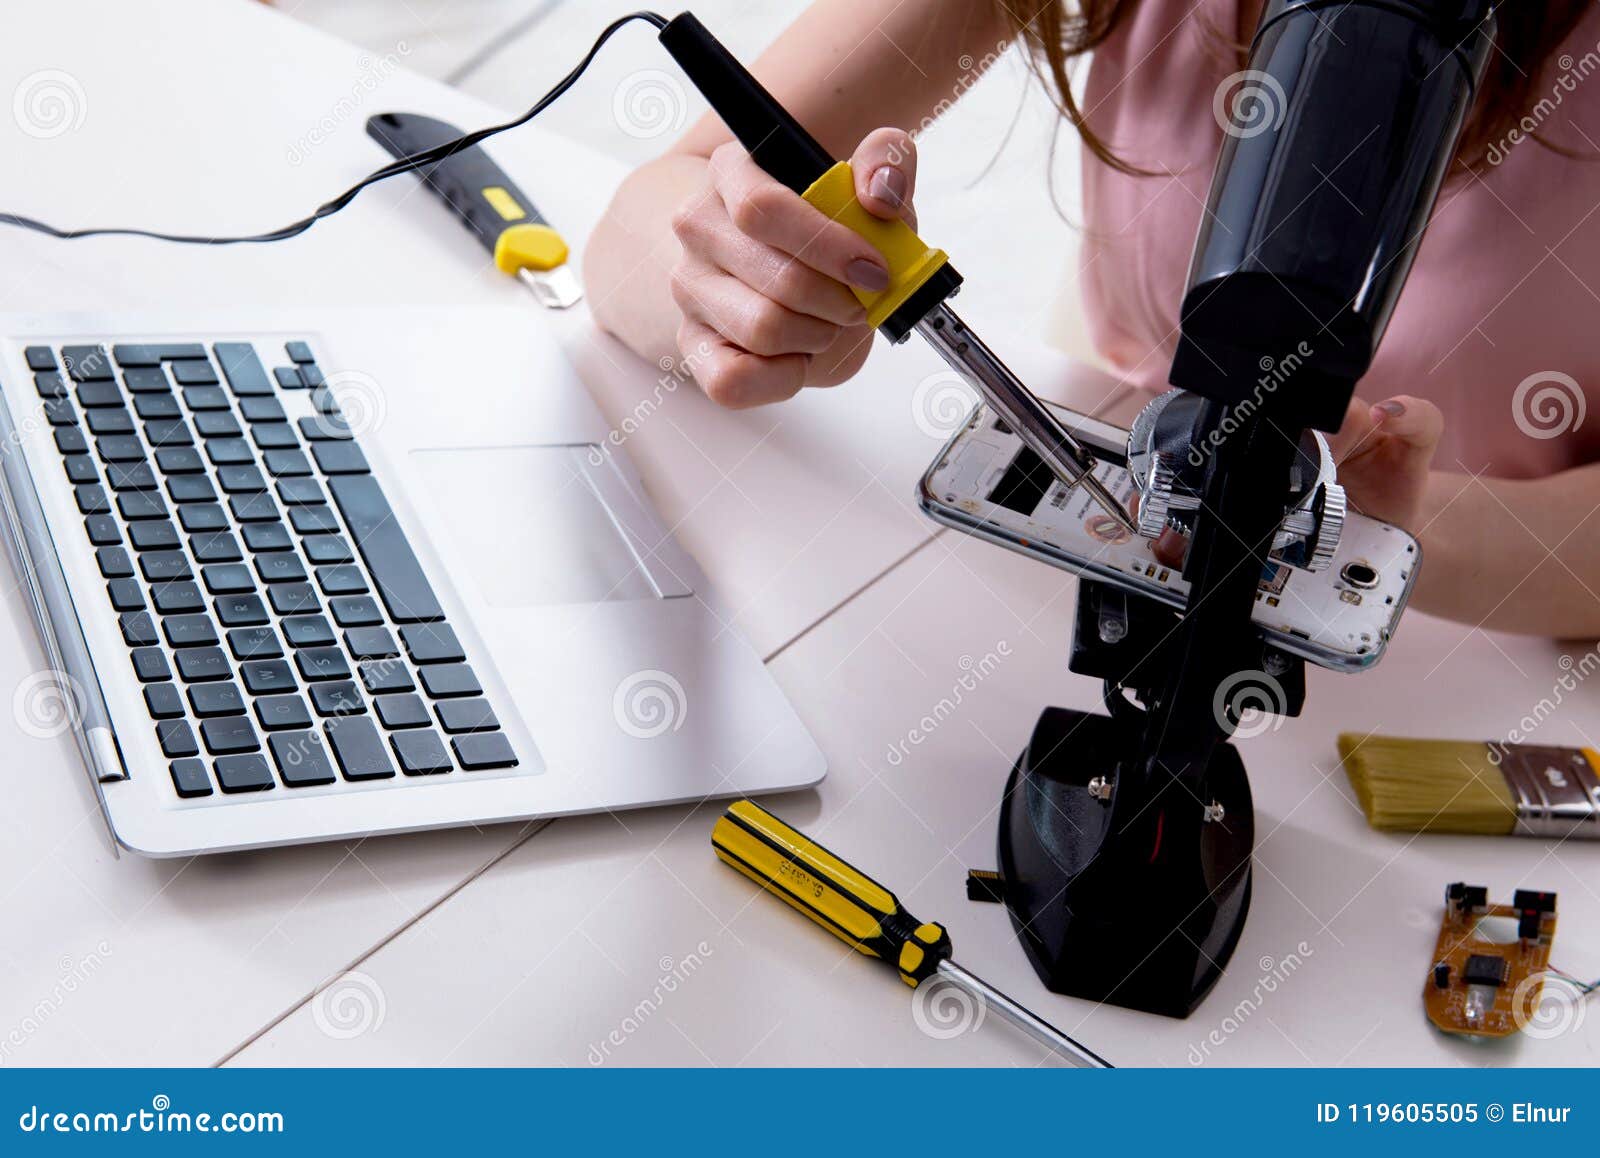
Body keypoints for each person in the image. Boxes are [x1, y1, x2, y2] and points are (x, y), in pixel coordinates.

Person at [584, 1, 1600, 637]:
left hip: (1473, 660)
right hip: (1072, 578)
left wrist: (1393, 536)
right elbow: (644, 221)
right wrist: (738, 286)